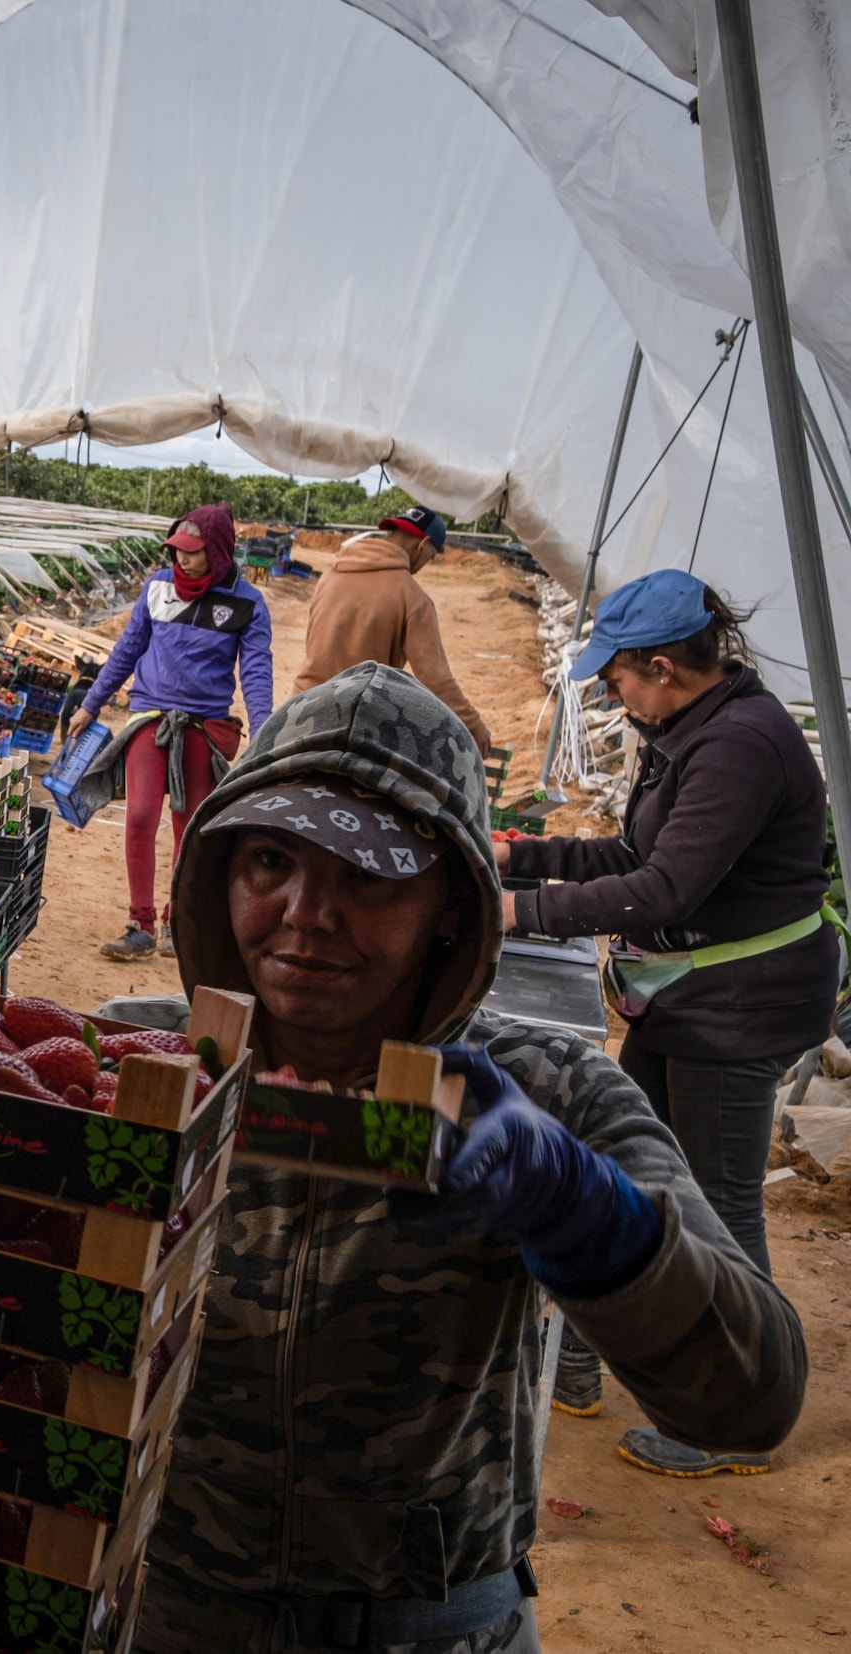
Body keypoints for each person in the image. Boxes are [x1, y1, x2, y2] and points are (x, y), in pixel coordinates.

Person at [113, 662, 803, 1654]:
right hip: (165, 1615)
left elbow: (753, 1398)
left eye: (366, 872)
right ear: (216, 867)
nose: (305, 910)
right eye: (269, 859)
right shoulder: (140, 1068)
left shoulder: (541, 1095)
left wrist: (592, 1220)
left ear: (451, 900)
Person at [498, 569, 836, 1473]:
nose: (614, 696)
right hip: (689, 994)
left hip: (740, 1005)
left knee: (718, 1203)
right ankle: (578, 1362)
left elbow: (664, 888)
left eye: (617, 681)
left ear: (661, 667)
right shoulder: (690, 727)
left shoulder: (741, 746)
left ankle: (736, 1414)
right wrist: (517, 858)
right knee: (622, 1162)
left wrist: (516, 914)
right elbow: (633, 850)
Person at [65, 503, 273, 961]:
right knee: (140, 814)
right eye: (176, 550)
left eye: (193, 552)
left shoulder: (248, 604)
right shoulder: (157, 587)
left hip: (203, 725)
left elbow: (256, 672)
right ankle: (138, 923)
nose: (182, 559)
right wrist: (90, 704)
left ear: (217, 552)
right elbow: (127, 650)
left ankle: (175, 920)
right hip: (150, 717)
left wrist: (263, 732)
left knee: (190, 827)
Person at [292, 505, 493, 750]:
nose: (423, 565)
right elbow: (435, 678)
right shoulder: (413, 598)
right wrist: (474, 724)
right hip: (352, 720)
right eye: (430, 556)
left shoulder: (332, 572)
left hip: (299, 708)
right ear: (423, 544)